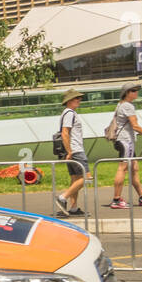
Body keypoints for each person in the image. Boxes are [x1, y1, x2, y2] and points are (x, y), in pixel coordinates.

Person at [109, 82, 142, 209]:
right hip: (125, 141)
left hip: (126, 141)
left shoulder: (122, 105)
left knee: (134, 168)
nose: (136, 92)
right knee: (123, 168)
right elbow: (135, 126)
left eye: (136, 90)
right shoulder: (127, 106)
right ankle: (116, 199)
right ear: (127, 93)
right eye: (133, 90)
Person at [53, 88, 87, 217]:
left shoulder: (68, 113)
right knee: (85, 177)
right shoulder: (69, 114)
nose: (79, 100)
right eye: (77, 98)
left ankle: (73, 207)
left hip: (74, 150)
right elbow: (65, 132)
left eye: (80, 98)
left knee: (75, 179)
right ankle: (62, 198)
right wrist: (70, 151)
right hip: (76, 150)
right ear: (69, 101)